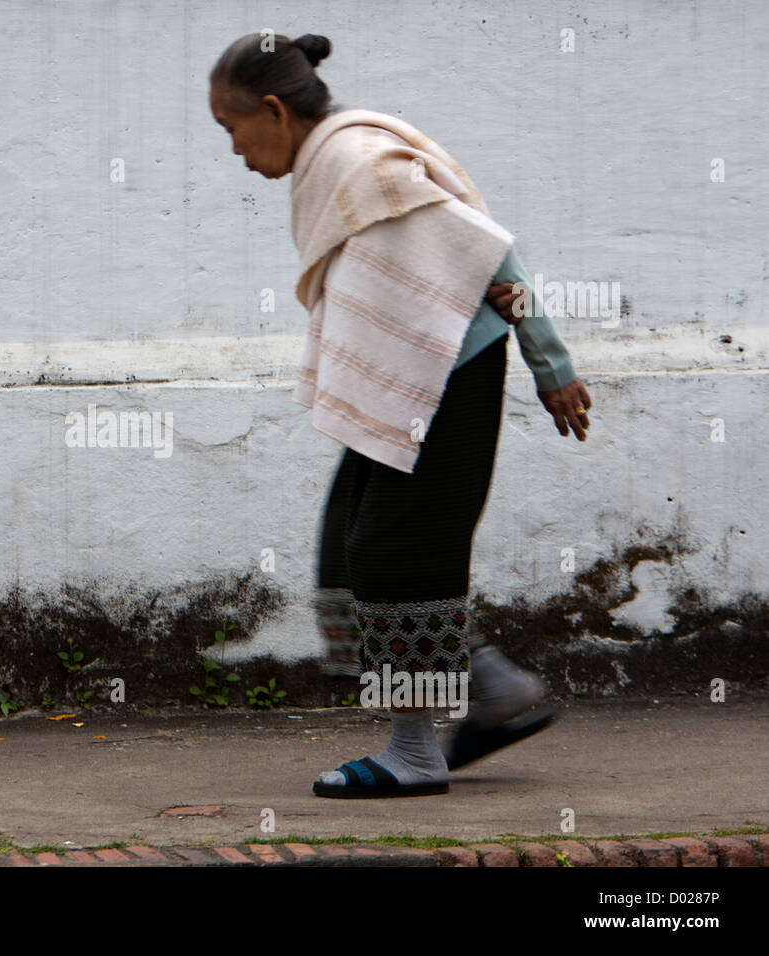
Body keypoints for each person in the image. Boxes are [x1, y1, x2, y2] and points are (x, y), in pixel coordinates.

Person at [208, 32, 593, 797]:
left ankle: (414, 753)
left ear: (276, 111)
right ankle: (494, 687)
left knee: (396, 552)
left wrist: (552, 364)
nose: (233, 149)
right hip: (413, 378)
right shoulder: (329, 166)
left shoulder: (359, 162)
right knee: (349, 549)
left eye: (232, 129)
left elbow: (490, 256)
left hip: (452, 371)